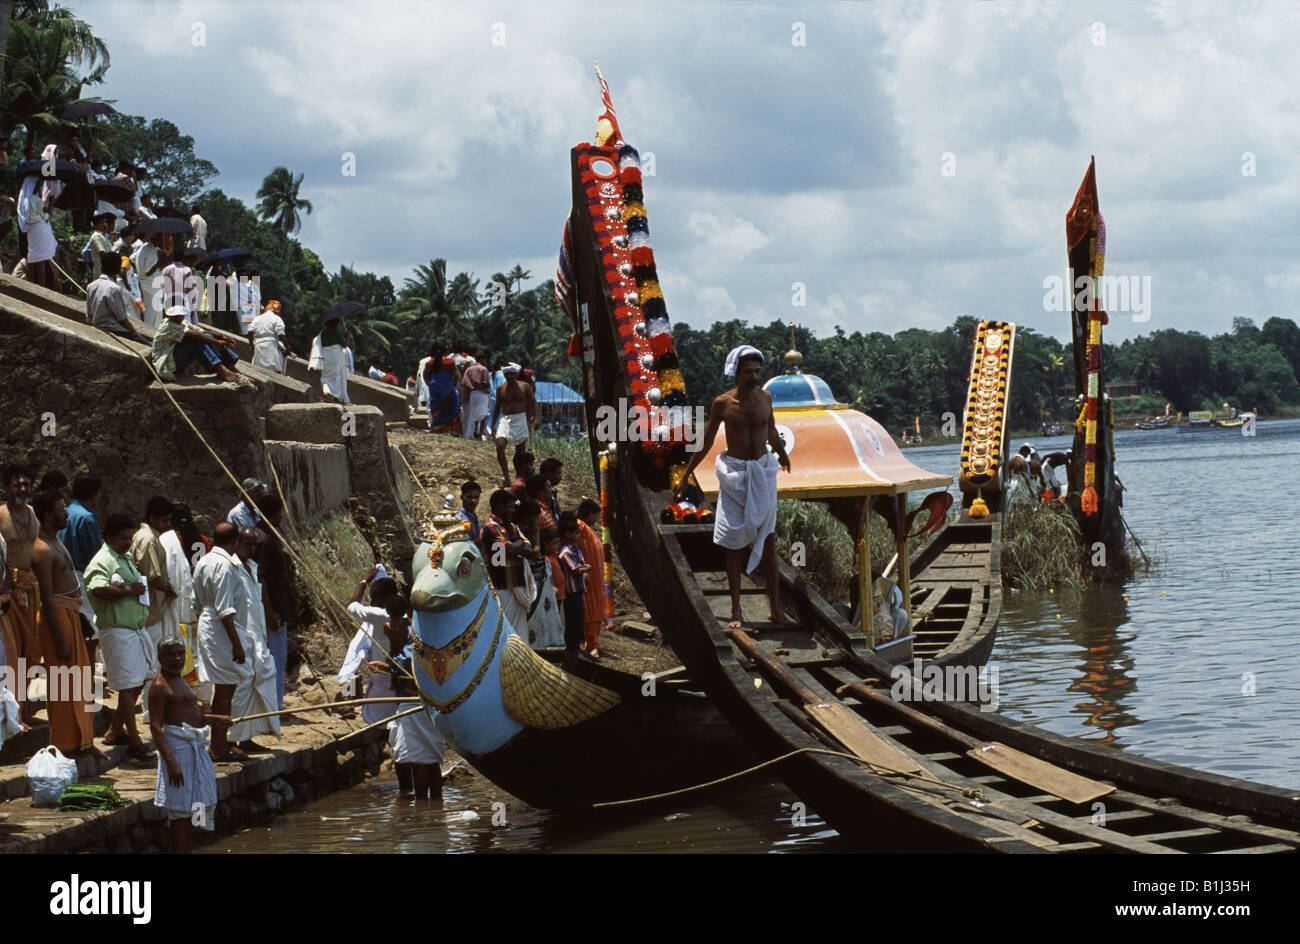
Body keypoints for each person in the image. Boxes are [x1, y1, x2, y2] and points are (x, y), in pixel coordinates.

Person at [674, 345, 791, 630]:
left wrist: (782, 453)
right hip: (736, 476)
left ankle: (775, 608)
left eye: (758, 371)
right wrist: (687, 473)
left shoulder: (766, 398)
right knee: (734, 544)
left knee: (769, 542)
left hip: (762, 474)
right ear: (736, 373)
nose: (755, 376)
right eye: (749, 371)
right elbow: (707, 439)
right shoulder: (722, 404)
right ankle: (736, 609)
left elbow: (771, 428)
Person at [30, 490, 101, 759]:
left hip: (70, 615)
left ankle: (82, 740)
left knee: (79, 681)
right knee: (62, 684)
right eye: (62, 509)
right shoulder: (41, 549)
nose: (67, 513)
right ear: (49, 515)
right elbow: (46, 598)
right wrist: (59, 640)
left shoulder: (56, 541)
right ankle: (64, 744)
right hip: (57, 618)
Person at [85, 512, 154, 760]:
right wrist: (128, 590)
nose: (127, 542)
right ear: (110, 537)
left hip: (134, 629)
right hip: (116, 631)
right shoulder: (102, 560)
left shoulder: (124, 557)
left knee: (137, 682)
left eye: (129, 538)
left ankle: (115, 730)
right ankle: (135, 741)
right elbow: (99, 589)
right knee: (127, 686)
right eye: (123, 538)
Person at [148, 637, 226, 853]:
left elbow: (195, 716)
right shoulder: (158, 686)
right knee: (181, 812)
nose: (177, 659)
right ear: (160, 658)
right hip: (179, 753)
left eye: (180, 653)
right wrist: (171, 763)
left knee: (195, 808)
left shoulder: (180, 680)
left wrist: (216, 718)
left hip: (193, 749)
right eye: (171, 654)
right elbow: (155, 727)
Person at [192, 523, 252, 762]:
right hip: (220, 627)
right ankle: (218, 746)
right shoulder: (225, 565)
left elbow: (196, 603)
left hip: (208, 624)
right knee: (226, 687)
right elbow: (225, 609)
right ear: (234, 542)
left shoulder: (203, 562)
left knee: (224, 686)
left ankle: (220, 742)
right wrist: (236, 644)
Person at [229, 527, 280, 751]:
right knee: (241, 686)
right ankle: (231, 738)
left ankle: (248, 737)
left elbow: (260, 597)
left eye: (253, 545)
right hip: (239, 635)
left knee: (258, 682)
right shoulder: (230, 567)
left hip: (256, 633)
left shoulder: (252, 567)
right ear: (236, 543)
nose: (250, 549)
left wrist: (269, 615)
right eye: (246, 544)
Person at [0, 465, 43, 721]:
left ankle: (22, 707)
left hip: (32, 590)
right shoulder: (0, 515)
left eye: (26, 484)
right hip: (9, 592)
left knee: (31, 649)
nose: (22, 489)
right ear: (7, 488)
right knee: (11, 652)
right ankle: (9, 711)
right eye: (17, 484)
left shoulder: (33, 514)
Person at [337, 567, 401, 725]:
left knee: (377, 719)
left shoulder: (380, 615)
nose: (372, 602)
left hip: (385, 676)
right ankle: (349, 697)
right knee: (354, 665)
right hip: (390, 674)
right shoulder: (400, 613)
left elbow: (352, 606)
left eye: (374, 598)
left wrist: (364, 581)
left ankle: (350, 700)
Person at [479, 490, 536, 637]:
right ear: (499, 506)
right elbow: (503, 551)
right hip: (501, 584)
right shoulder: (490, 528)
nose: (513, 511)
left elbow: (529, 549)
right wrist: (516, 545)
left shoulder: (511, 526)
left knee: (518, 630)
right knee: (504, 629)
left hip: (516, 582)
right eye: (510, 507)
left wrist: (514, 546)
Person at [130, 497, 176, 678]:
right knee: (153, 663)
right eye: (165, 521)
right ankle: (151, 704)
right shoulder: (148, 539)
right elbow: (153, 577)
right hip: (151, 609)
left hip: (151, 608)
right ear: (153, 519)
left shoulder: (148, 536)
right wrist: (169, 590)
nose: (168, 525)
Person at [254, 495, 291, 708]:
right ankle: (273, 705)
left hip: (277, 606)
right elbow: (260, 577)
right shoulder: (264, 540)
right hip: (272, 610)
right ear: (275, 514)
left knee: (277, 658)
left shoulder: (269, 535)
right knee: (274, 660)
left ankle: (274, 702)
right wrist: (269, 612)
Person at [151, 305, 243, 383]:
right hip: (166, 364)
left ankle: (229, 365)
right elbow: (193, 334)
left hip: (176, 357)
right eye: (175, 316)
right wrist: (216, 342)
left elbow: (202, 331)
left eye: (180, 315)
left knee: (207, 336)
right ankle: (220, 369)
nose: (179, 318)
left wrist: (222, 337)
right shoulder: (167, 326)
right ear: (169, 316)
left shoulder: (182, 322)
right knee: (194, 341)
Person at [575, 499, 610, 659]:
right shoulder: (580, 527)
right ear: (589, 514)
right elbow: (574, 548)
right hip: (587, 578)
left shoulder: (587, 528)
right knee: (590, 612)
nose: (596, 518)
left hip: (595, 579)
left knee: (596, 611)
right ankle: (590, 645)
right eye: (596, 515)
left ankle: (595, 643)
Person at [492, 364, 535, 487]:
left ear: (515, 374)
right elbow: (497, 407)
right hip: (505, 420)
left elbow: (533, 403)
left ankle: (519, 476)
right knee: (500, 446)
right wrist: (493, 424)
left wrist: (536, 419)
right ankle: (506, 478)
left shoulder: (525, 386)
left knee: (520, 451)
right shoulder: (501, 388)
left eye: (512, 374)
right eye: (507, 375)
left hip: (520, 419)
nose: (510, 376)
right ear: (504, 375)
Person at [87, 252, 146, 342]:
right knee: (146, 343)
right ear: (118, 269)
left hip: (97, 325)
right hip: (113, 329)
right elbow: (122, 317)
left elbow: (89, 315)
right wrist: (135, 333)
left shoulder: (91, 286)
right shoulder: (114, 288)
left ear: (102, 267)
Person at [556, 514, 589, 660]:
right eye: (575, 533)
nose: (578, 536)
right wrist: (586, 569)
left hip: (579, 589)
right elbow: (575, 569)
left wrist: (584, 569)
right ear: (567, 534)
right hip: (571, 591)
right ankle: (572, 649)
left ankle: (577, 647)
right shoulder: (566, 552)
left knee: (578, 619)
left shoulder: (576, 549)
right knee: (573, 620)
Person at [527, 525, 565, 649]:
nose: (557, 546)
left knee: (553, 621)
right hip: (545, 597)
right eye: (554, 543)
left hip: (555, 597)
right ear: (545, 545)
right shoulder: (545, 562)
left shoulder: (552, 559)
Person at [309, 315, 350, 404]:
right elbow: (344, 345)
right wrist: (347, 338)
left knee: (326, 377)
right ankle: (338, 397)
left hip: (326, 357)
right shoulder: (337, 333)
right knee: (338, 377)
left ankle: (326, 392)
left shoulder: (322, 333)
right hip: (336, 358)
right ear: (336, 324)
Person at [423, 344, 461, 434]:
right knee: (452, 407)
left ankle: (437, 427)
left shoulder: (430, 363)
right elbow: (455, 375)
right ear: (445, 352)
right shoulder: (449, 362)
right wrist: (454, 385)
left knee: (436, 408)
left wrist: (430, 384)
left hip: (434, 389)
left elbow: (425, 375)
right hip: (446, 388)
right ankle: (448, 428)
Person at [132, 233, 165, 327]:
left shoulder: (144, 247)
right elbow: (149, 271)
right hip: (150, 283)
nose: (161, 242)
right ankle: (151, 331)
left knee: (153, 310)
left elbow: (132, 258)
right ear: (154, 238)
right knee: (153, 312)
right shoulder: (150, 250)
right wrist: (160, 262)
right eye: (160, 239)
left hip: (147, 282)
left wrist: (139, 271)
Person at [250, 300, 291, 373]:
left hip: (258, 345)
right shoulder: (277, 318)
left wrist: (252, 345)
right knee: (274, 370)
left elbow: (250, 331)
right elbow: (281, 334)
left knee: (257, 370)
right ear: (276, 311)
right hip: (271, 347)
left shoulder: (258, 318)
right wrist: (288, 347)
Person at [460, 356, 492, 439]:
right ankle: (480, 433)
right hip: (482, 393)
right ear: (481, 359)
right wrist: (489, 390)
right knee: (483, 414)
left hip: (472, 394)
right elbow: (486, 382)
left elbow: (464, 383)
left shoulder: (469, 369)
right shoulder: (483, 369)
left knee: (473, 414)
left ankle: (474, 431)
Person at [85, 212, 115, 281]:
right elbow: (102, 253)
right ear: (95, 226)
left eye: (105, 222)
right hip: (101, 270)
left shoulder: (104, 236)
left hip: (108, 269)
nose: (104, 225)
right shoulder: (96, 236)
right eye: (101, 223)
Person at [539, 457, 563, 524]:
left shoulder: (553, 490)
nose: (560, 477)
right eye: (558, 474)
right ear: (549, 474)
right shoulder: (543, 494)